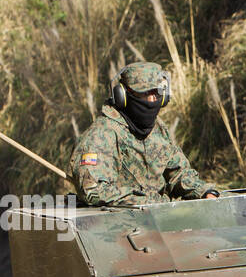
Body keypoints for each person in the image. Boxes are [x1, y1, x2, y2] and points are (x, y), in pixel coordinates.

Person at [72, 61, 219, 207]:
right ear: (122, 95)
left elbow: (178, 173)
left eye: (156, 93)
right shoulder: (101, 135)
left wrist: (202, 191)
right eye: (144, 94)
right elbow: (94, 191)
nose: (151, 100)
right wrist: (150, 202)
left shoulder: (158, 129)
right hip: (121, 224)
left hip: (159, 219)